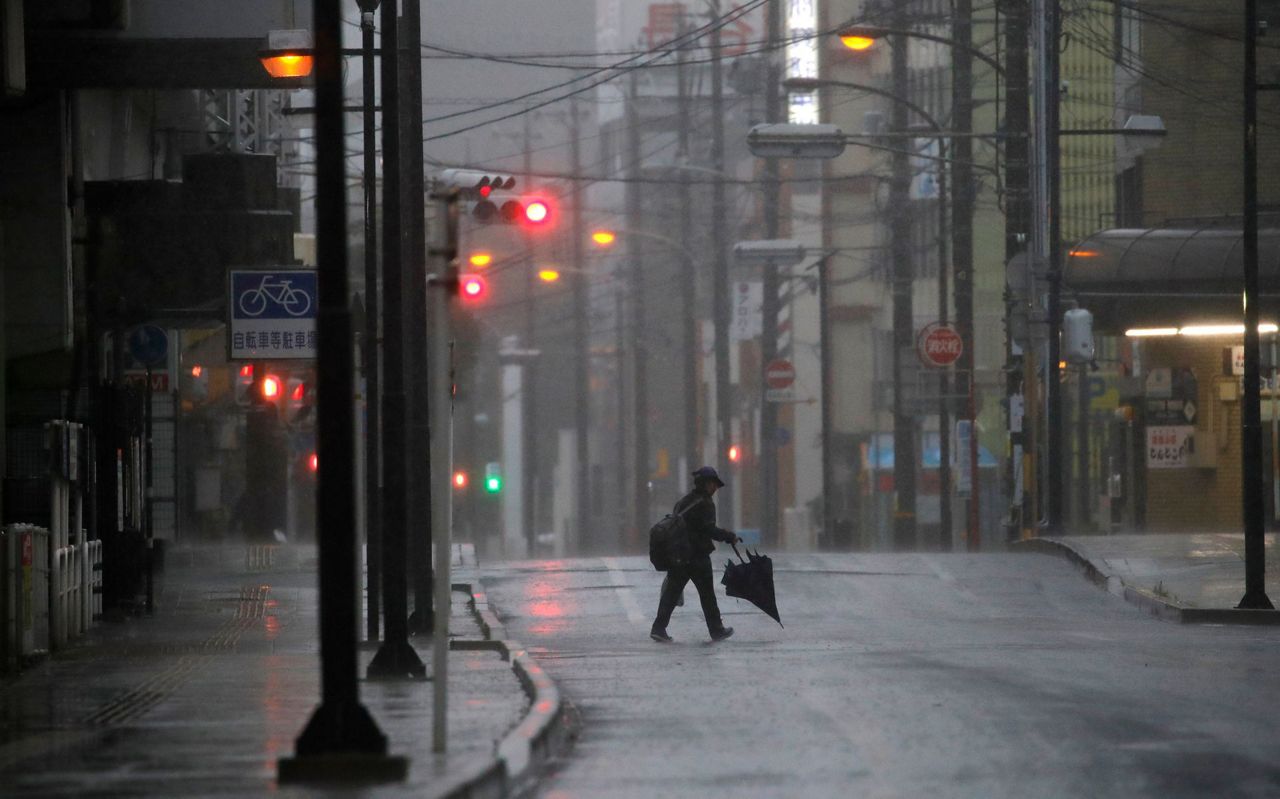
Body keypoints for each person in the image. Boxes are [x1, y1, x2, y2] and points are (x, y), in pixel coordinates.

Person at [651, 466, 741, 643]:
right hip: (698, 556)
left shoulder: (683, 502)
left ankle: (658, 628)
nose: (715, 488)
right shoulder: (706, 503)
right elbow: (708, 529)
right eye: (714, 484)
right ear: (707, 484)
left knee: (671, 594)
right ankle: (716, 630)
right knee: (707, 596)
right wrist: (729, 536)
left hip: (679, 556)